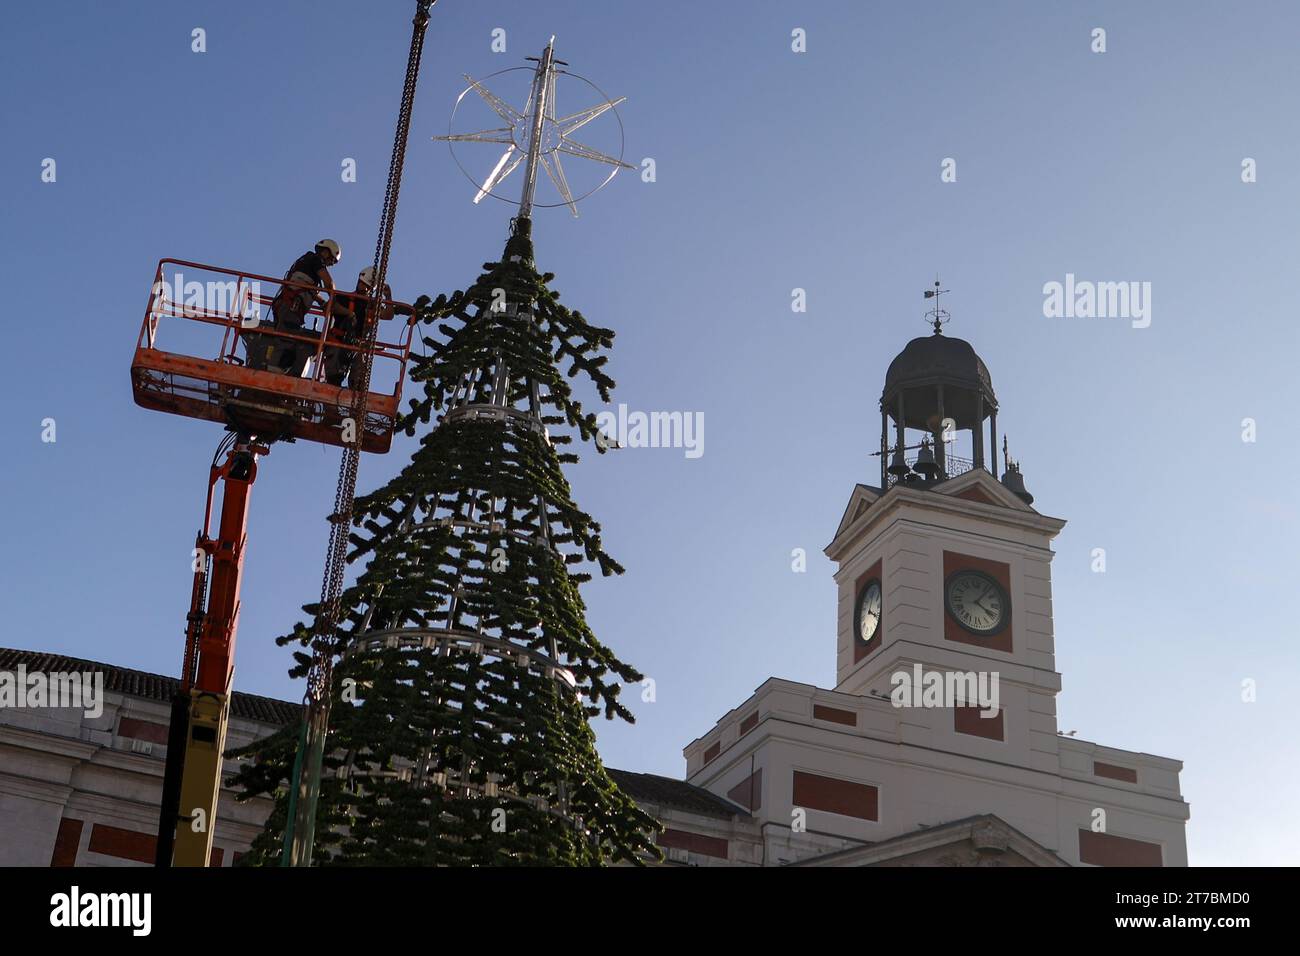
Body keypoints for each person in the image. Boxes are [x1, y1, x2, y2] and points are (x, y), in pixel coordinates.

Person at [265, 239, 351, 377]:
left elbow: (310, 291)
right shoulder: (315, 259)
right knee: (288, 339)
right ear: (325, 252)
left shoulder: (307, 266)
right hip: (291, 306)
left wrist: (324, 303)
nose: (330, 264)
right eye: (331, 260)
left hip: (287, 305)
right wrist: (335, 300)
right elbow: (328, 283)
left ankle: (277, 372)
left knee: (288, 338)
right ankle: (273, 376)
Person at [323, 266, 415, 388]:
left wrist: (388, 297)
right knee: (333, 380)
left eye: (367, 286)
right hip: (338, 342)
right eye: (362, 284)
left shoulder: (371, 305)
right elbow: (331, 306)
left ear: (371, 288)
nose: (363, 288)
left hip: (358, 347)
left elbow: (388, 315)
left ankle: (355, 394)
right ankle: (332, 402)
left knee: (359, 382)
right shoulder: (344, 298)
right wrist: (349, 313)